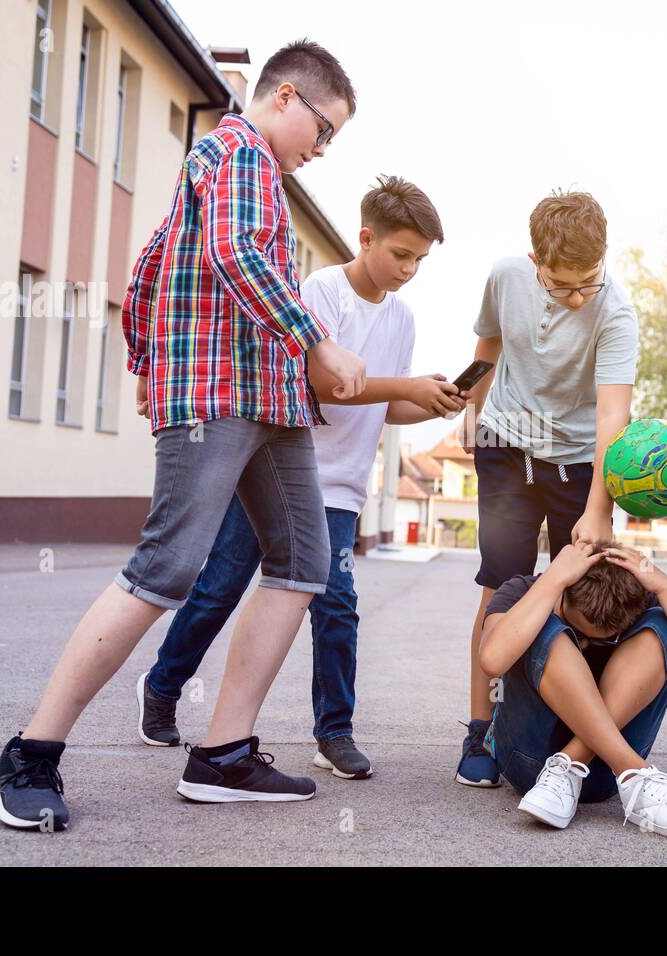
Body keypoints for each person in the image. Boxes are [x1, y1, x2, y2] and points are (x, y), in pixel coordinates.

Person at [0, 40, 364, 830]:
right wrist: (317, 339)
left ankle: (224, 755)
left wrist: (143, 358)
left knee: (304, 559)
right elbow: (232, 254)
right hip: (218, 397)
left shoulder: (238, 166)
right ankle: (30, 752)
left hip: (271, 402)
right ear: (287, 98)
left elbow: (153, 263)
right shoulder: (236, 150)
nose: (323, 151)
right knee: (169, 565)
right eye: (323, 130)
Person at [136, 175, 459, 781]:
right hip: (277, 471)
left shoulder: (403, 318)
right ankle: (161, 685)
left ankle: (334, 732)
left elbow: (385, 404)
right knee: (219, 588)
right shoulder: (322, 291)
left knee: (337, 605)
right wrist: (405, 387)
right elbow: (318, 382)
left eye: (420, 259)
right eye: (401, 254)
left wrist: (433, 401)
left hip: (338, 490)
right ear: (366, 239)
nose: (410, 269)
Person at [455, 191, 638, 787]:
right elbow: (489, 345)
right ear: (535, 261)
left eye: (589, 280)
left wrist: (598, 509)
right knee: (500, 586)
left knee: (584, 600)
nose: (578, 296)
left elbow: (614, 414)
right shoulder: (505, 276)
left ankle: (567, 733)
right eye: (562, 285)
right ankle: (480, 729)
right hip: (506, 444)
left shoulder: (616, 311)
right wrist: (471, 409)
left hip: (580, 460)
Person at [478, 543, 667, 838]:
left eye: (604, 640)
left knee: (664, 622)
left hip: (607, 778)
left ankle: (575, 762)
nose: (584, 644)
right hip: (530, 766)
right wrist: (554, 579)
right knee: (537, 622)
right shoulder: (525, 588)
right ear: (564, 591)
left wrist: (664, 586)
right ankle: (634, 770)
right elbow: (492, 660)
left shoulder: (640, 601)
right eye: (577, 632)